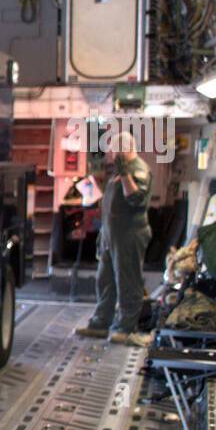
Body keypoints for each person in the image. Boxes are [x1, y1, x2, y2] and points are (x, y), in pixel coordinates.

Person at [75, 130, 154, 346]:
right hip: (111, 236)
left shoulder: (138, 170)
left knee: (128, 281)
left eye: (113, 150)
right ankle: (101, 323)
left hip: (129, 235)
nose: (109, 155)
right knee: (106, 280)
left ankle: (125, 328)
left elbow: (136, 198)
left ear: (123, 150)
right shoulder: (119, 171)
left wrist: (125, 173)